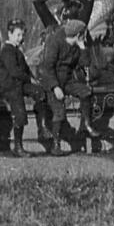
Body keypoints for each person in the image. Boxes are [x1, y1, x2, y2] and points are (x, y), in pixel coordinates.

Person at [37, 18, 98, 155]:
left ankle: (86, 125)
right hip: (52, 81)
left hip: (67, 80)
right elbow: (47, 68)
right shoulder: (54, 41)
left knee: (86, 92)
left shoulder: (77, 45)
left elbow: (85, 63)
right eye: (83, 34)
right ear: (78, 35)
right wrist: (55, 87)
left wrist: (82, 48)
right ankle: (55, 145)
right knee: (59, 112)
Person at [0, 19, 50, 156]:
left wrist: (35, 80)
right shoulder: (7, 50)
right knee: (20, 115)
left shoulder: (16, 50)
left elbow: (25, 69)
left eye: (22, 35)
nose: (20, 38)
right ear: (9, 34)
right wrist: (30, 79)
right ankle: (18, 147)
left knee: (40, 93)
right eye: (18, 35)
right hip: (10, 87)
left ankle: (42, 128)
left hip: (20, 84)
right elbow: (14, 71)